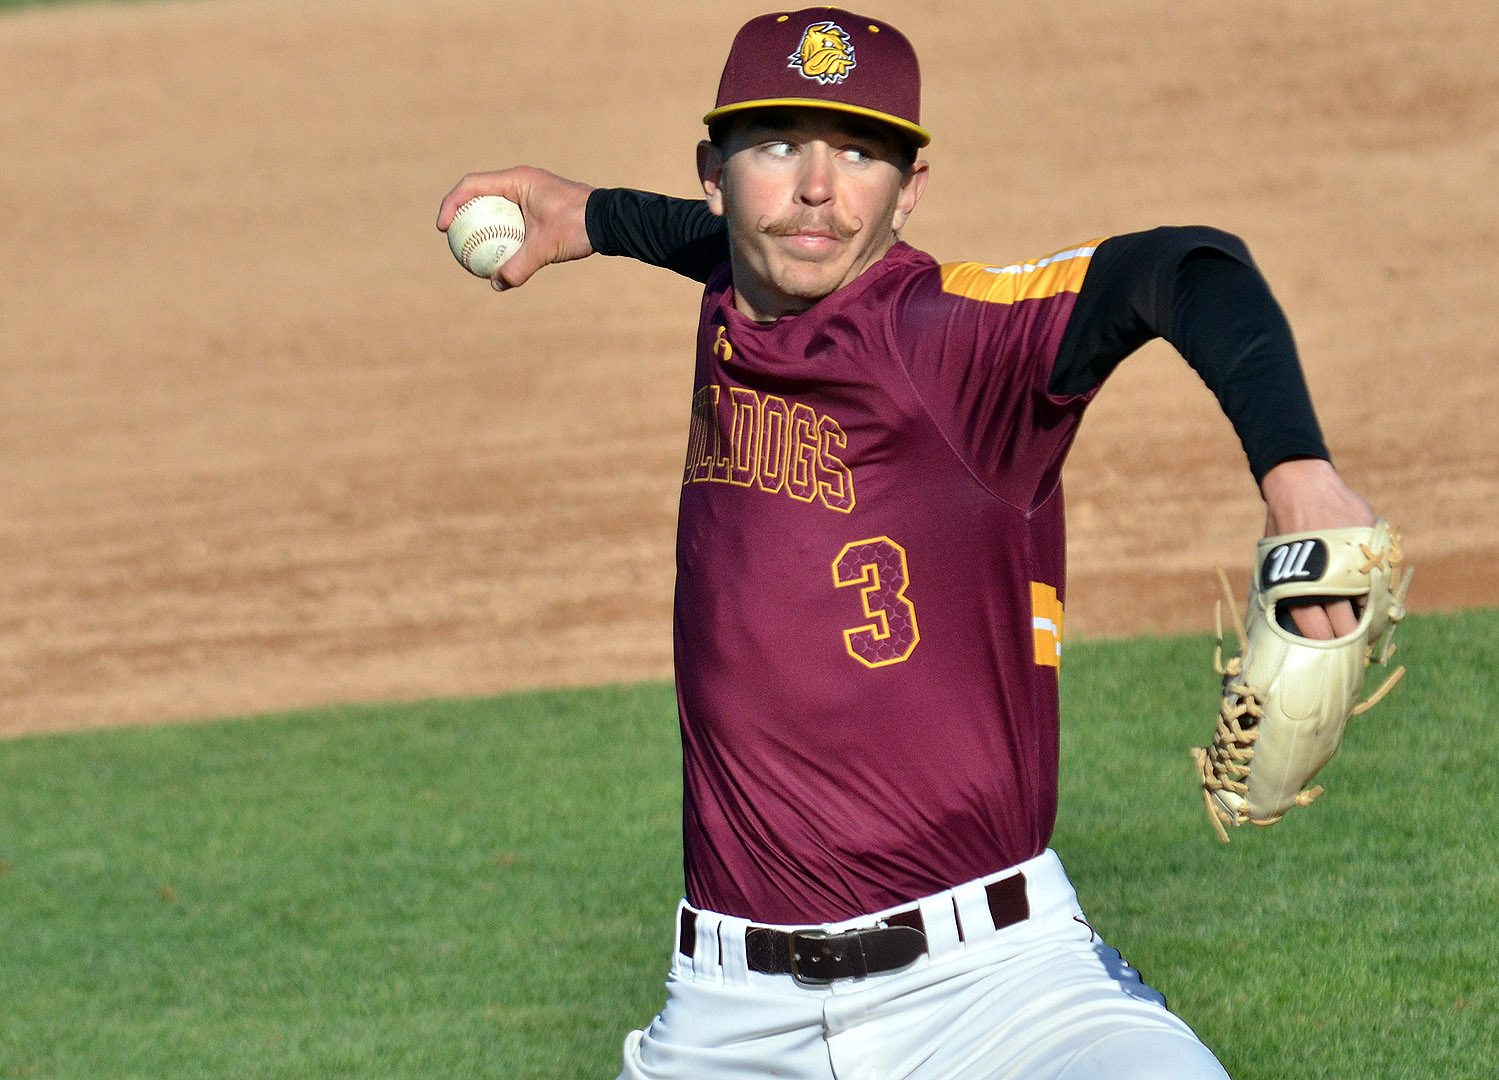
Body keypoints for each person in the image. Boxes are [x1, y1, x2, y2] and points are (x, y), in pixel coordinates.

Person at [439, 9, 1376, 1079]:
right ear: (715, 171)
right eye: (780, 145)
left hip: (1006, 995)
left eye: (862, 153)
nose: (818, 190)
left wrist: (1294, 468)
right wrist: (592, 218)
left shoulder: (954, 341)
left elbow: (1184, 270)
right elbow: (734, 249)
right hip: (724, 1020)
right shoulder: (736, 288)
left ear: (910, 189)